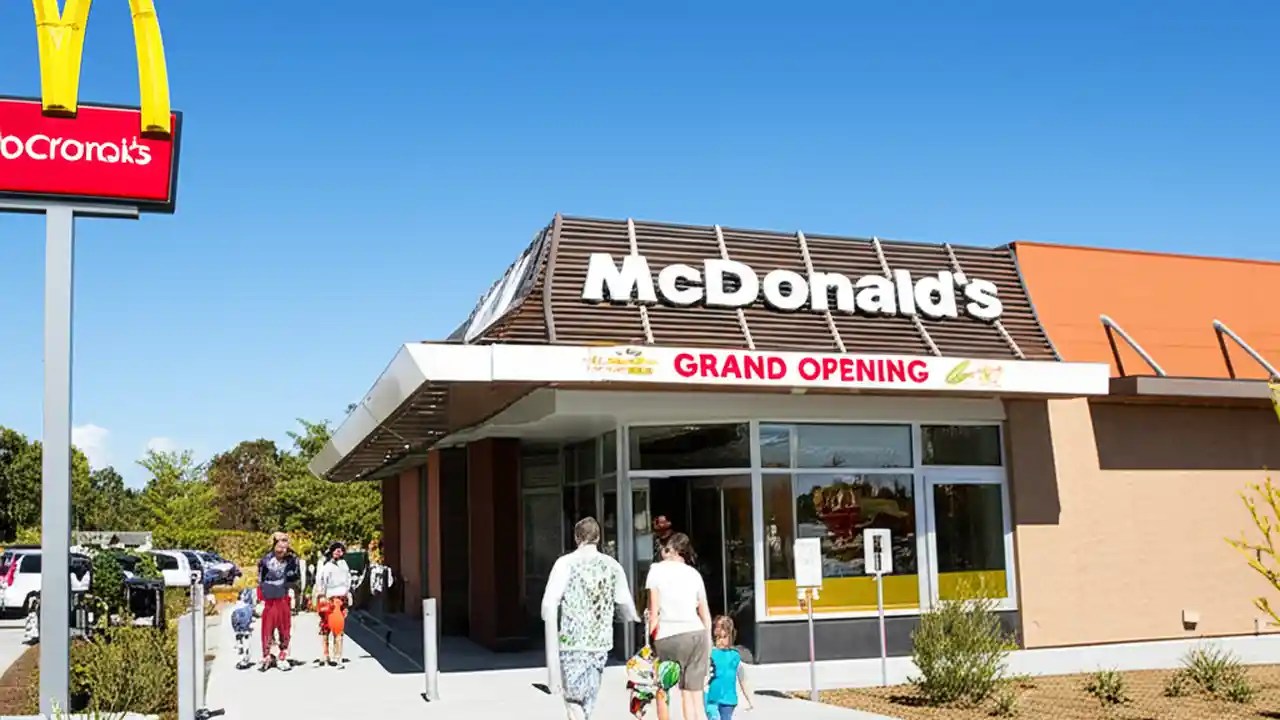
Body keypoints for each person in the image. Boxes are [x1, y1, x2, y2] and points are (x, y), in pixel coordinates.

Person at [542, 517, 640, 720]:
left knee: (572, 699)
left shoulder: (565, 563)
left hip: (572, 642)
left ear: (577, 537)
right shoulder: (612, 565)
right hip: (600, 641)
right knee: (589, 699)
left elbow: (549, 603)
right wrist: (634, 618)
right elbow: (625, 603)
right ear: (598, 537)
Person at [646, 532, 712, 720]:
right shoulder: (694, 574)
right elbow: (705, 615)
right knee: (693, 696)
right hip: (695, 634)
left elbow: (654, 612)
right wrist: (709, 644)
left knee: (662, 689)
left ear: (668, 550)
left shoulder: (655, 571)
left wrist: (649, 642)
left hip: (667, 636)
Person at [258, 532, 301, 671]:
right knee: (267, 628)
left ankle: (283, 654)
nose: (283, 550)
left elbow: (295, 579)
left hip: (283, 596)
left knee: (284, 628)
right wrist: (259, 599)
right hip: (269, 597)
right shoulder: (265, 561)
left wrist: (294, 595)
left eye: (285, 547)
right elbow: (260, 580)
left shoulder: (291, 560)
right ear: (274, 545)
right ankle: (267, 655)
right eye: (280, 546)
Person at [313, 541, 354, 668]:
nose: (338, 552)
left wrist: (348, 595)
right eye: (336, 549)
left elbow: (348, 580)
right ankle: (326, 654)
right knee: (326, 628)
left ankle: (338, 656)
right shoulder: (326, 566)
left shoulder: (344, 565)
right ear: (331, 551)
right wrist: (321, 597)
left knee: (339, 628)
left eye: (341, 550)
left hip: (342, 599)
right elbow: (321, 582)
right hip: (330, 599)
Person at [704, 616, 754, 719]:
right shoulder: (710, 654)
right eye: (717, 638)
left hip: (728, 700)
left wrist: (750, 700)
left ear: (730, 636)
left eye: (724, 637)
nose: (720, 641)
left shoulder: (734, 656)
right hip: (711, 698)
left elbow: (743, 679)